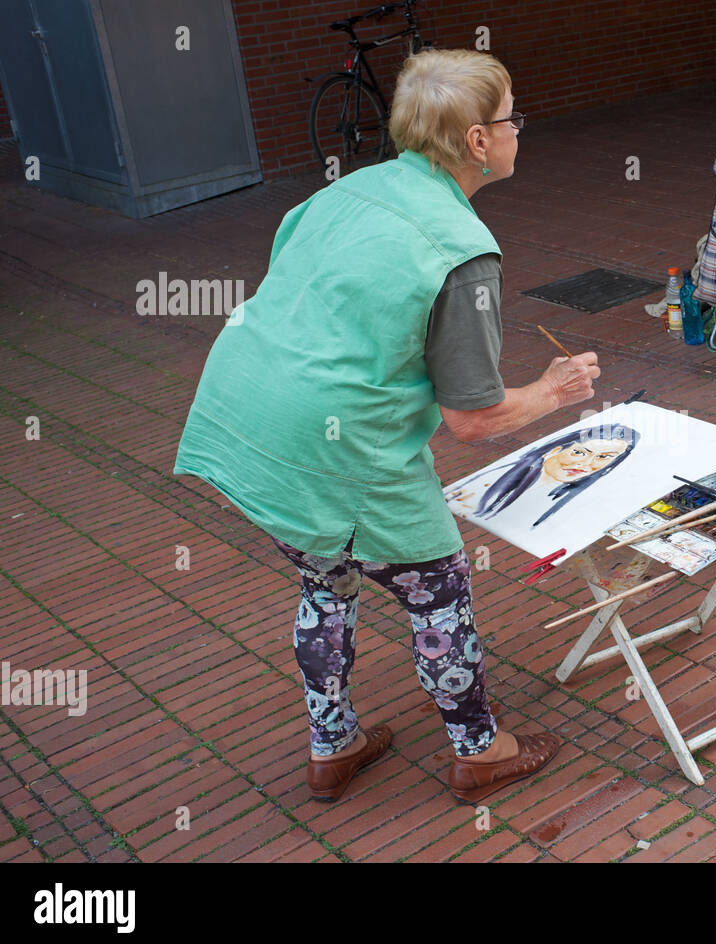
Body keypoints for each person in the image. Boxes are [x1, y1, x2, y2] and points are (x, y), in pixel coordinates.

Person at [173, 49, 603, 805]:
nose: (516, 132)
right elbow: (473, 419)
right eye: (511, 119)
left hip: (245, 413)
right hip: (334, 442)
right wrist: (552, 390)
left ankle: (332, 745)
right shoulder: (464, 252)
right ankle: (480, 751)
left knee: (325, 582)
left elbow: (306, 297)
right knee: (440, 590)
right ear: (476, 141)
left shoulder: (351, 189)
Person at [444, 422, 639, 526]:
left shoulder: (579, 497)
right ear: (554, 450)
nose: (586, 464)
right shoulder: (481, 490)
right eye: (579, 452)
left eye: (604, 457)